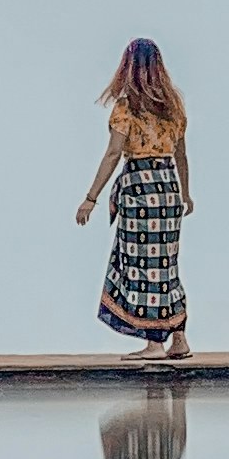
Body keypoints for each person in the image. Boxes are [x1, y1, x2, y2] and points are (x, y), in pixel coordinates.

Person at [76, 39, 192, 355]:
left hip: (141, 188)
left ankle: (155, 341)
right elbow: (181, 154)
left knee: (144, 264)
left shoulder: (128, 107)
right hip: (168, 188)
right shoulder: (174, 106)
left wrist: (91, 197)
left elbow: (114, 152)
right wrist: (186, 193)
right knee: (167, 263)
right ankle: (178, 339)